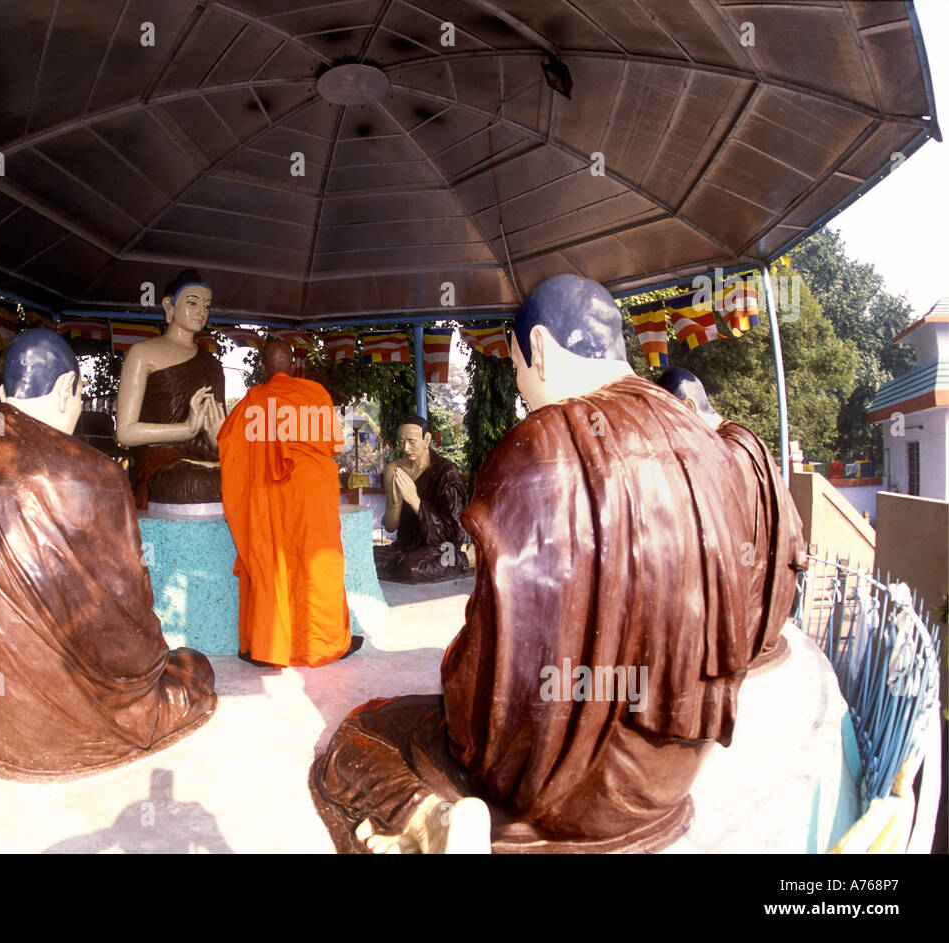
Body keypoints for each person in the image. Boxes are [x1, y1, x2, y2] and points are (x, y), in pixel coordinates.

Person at [311, 274, 802, 853]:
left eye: (518, 368)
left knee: (365, 732)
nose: (521, 389)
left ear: (540, 347)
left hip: (557, 798)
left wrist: (457, 674)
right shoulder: (703, 437)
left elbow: (495, 670)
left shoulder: (539, 447)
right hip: (669, 778)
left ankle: (428, 816)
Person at [0, 329, 216, 774]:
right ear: (68, 389)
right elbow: (130, 618)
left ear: (2, 394)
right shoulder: (95, 474)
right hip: (66, 720)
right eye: (79, 394)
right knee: (196, 670)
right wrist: (152, 669)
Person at [218, 340, 359, 667]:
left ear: (263, 369)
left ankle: (270, 645)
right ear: (295, 367)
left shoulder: (253, 402)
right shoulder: (316, 394)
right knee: (319, 562)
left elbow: (228, 445)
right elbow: (333, 443)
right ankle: (325, 642)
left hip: (271, 493)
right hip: (314, 490)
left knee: (271, 562)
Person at [656, 367, 805, 668]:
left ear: (688, 407)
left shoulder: (727, 451)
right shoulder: (742, 439)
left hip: (746, 620)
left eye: (672, 422)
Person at [115, 268, 227, 507]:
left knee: (249, 475)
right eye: (192, 302)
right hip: (161, 459)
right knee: (192, 482)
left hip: (204, 455)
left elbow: (218, 429)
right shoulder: (142, 353)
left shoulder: (212, 364)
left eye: (206, 306)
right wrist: (185, 429)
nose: (200, 311)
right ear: (169, 306)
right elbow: (125, 432)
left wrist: (219, 439)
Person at [375, 417, 469, 582]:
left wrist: (414, 500)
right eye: (402, 441)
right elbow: (390, 527)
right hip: (406, 546)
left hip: (441, 547)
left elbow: (452, 533)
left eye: (412, 441)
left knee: (411, 568)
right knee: (365, 560)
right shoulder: (394, 469)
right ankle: (402, 564)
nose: (405, 448)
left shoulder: (445, 471)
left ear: (427, 440)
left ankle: (463, 559)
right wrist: (397, 504)